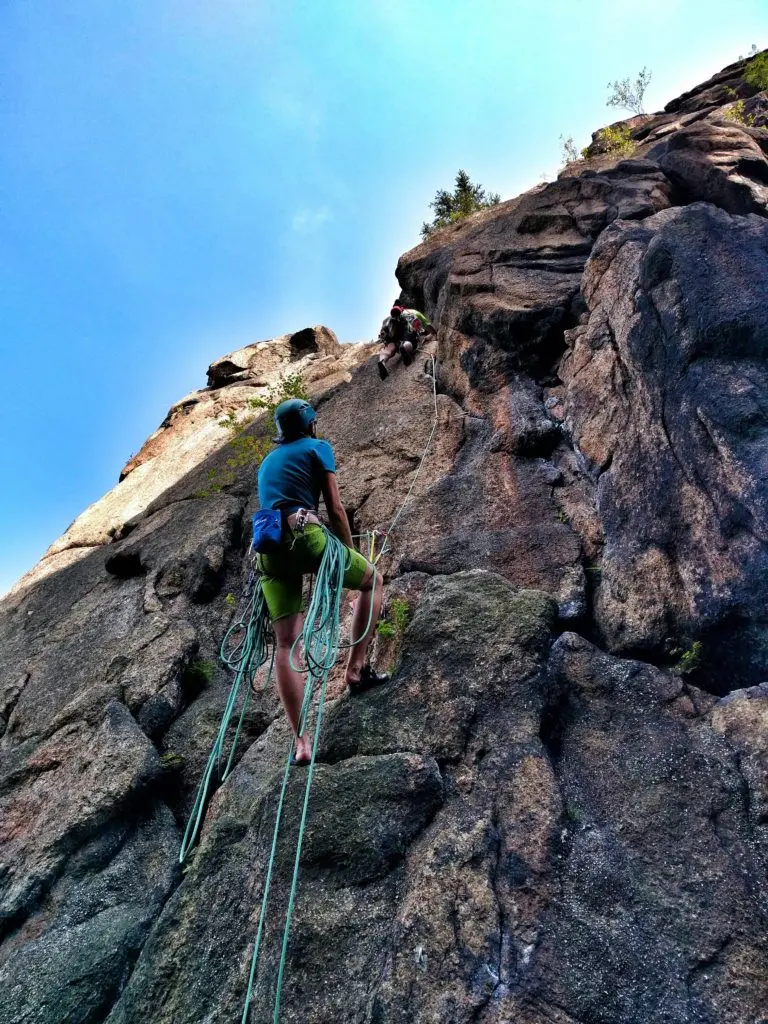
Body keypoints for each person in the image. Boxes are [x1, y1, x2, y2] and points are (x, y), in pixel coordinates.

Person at [256, 398, 388, 763]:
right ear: (310, 423)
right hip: (306, 536)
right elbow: (335, 506)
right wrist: (351, 553)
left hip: (268, 550)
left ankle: (301, 742)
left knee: (285, 646)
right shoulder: (318, 447)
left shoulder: (267, 462)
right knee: (372, 581)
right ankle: (356, 670)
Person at [377, 304, 437, 380]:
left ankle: (382, 361)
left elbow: (384, 334)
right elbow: (427, 325)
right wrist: (434, 334)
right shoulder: (412, 312)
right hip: (407, 331)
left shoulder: (388, 319)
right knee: (409, 340)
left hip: (393, 334)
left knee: (390, 348)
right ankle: (405, 346)